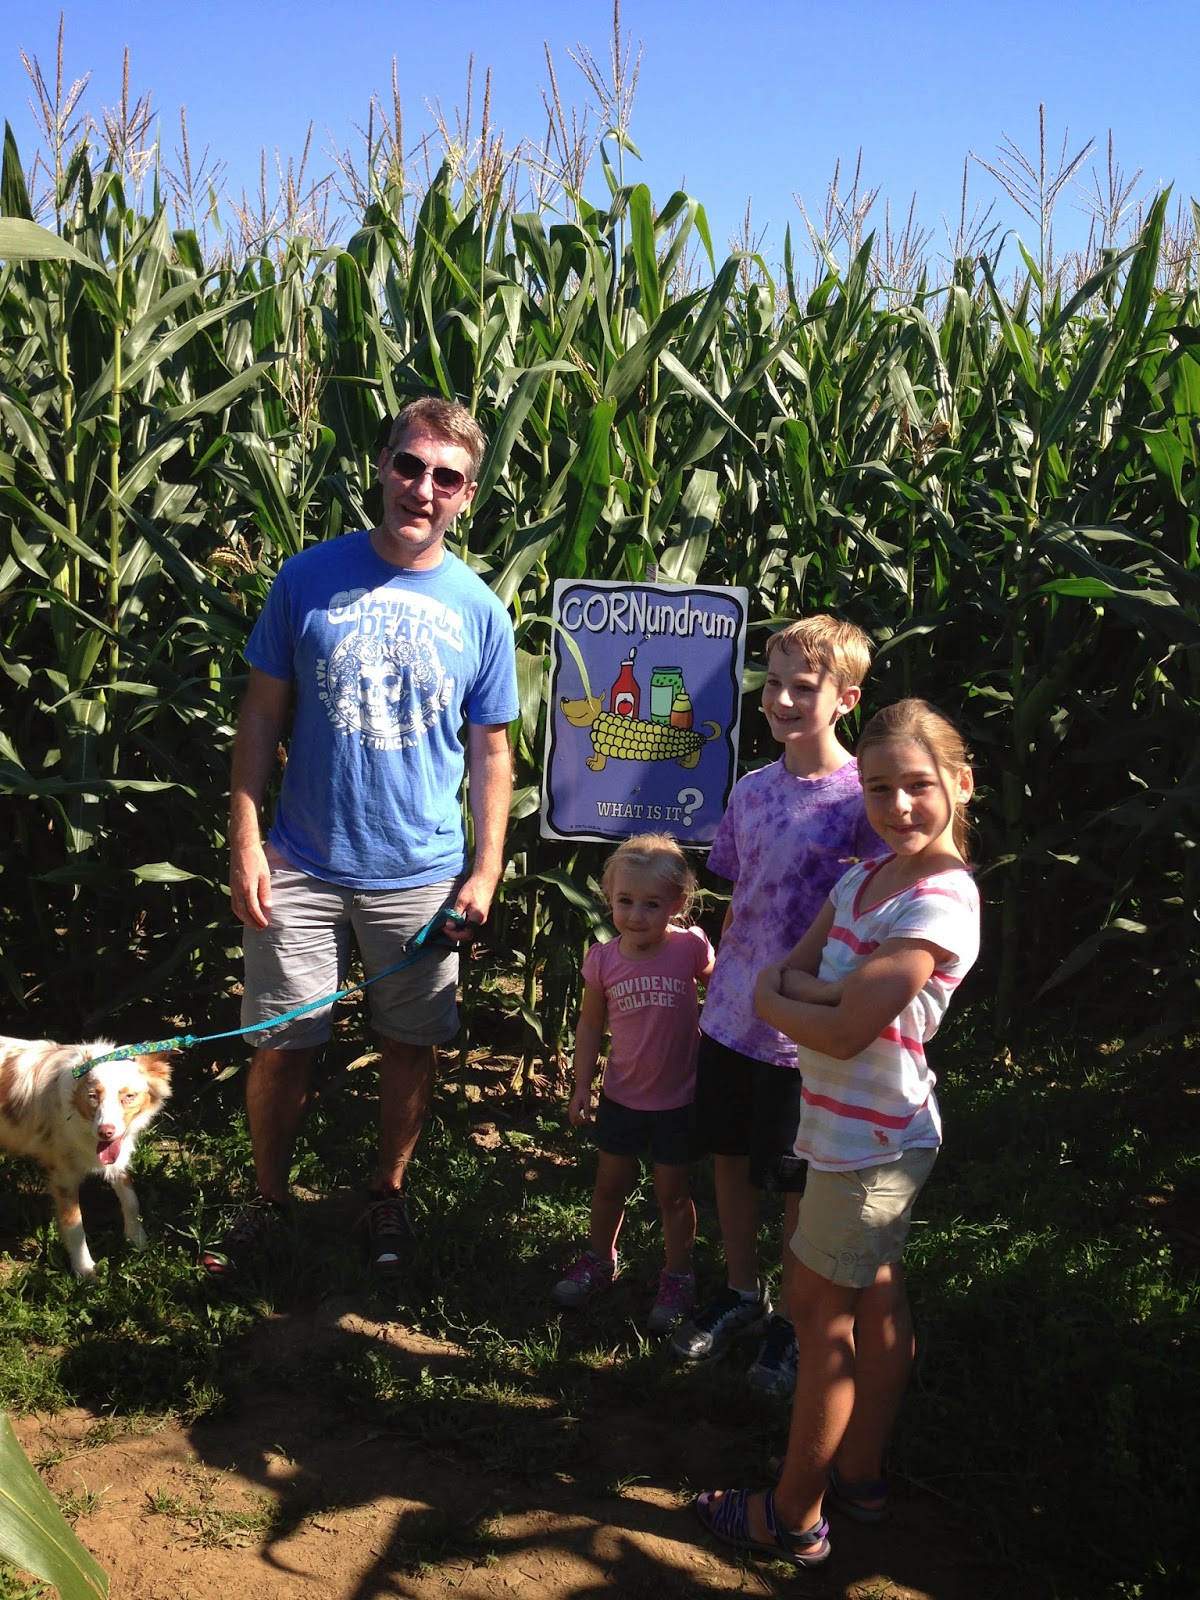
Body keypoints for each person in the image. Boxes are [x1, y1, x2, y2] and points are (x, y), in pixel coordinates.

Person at [202, 396, 518, 1279]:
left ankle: (387, 1194)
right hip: (300, 858)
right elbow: (261, 715)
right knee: (282, 1042)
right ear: (382, 467)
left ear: (469, 494)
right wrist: (245, 839)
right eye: (409, 466)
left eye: (445, 477)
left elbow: (492, 753)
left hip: (419, 869)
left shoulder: (479, 610)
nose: (422, 489)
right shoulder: (307, 578)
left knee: (409, 1042)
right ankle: (268, 1198)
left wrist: (484, 870)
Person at [693, 699, 980, 1568]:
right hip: (849, 1126)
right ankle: (860, 1476)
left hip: (873, 1142)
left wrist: (798, 999)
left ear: (961, 785)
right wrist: (809, 995)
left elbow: (839, 1022)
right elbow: (798, 973)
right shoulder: (863, 882)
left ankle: (792, 1515)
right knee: (878, 1298)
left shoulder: (942, 896)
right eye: (881, 787)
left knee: (821, 1322)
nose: (897, 806)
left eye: (918, 787)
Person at [671, 616, 882, 1396]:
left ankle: (793, 1321)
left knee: (794, 1182)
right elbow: (737, 887)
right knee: (729, 1159)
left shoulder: (863, 800)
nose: (783, 699)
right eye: (774, 684)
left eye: (806, 687)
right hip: (730, 1013)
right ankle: (739, 1290)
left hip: (803, 1036)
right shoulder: (752, 790)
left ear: (844, 699)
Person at [552, 834, 716, 1333]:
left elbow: (724, 991)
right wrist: (582, 1086)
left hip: (679, 1101)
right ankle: (599, 1259)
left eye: (652, 904)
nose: (636, 915)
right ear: (609, 899)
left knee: (672, 1194)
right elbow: (588, 1026)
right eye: (625, 902)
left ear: (677, 904)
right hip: (622, 1097)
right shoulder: (603, 960)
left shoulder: (690, 948)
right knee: (609, 1187)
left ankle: (678, 1276)